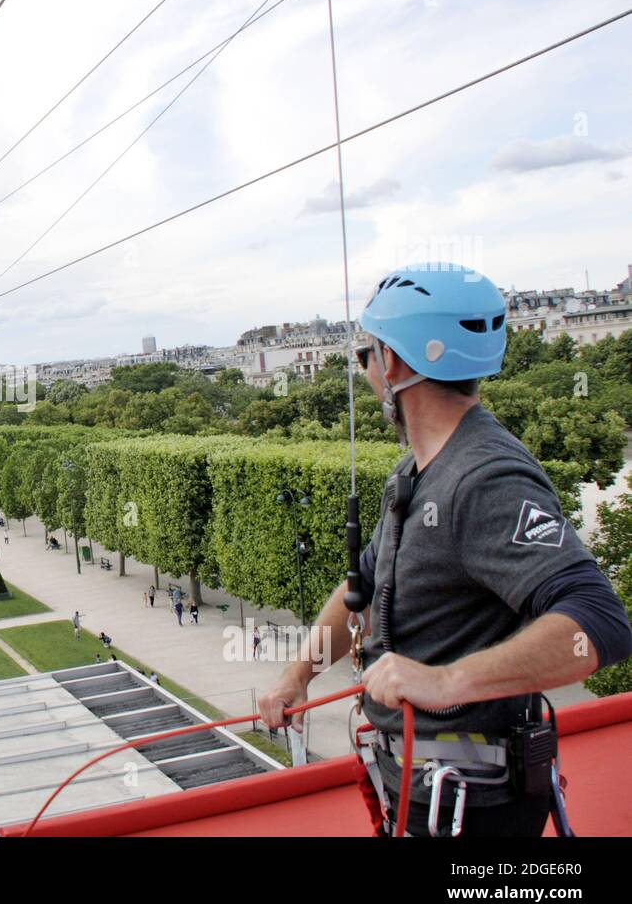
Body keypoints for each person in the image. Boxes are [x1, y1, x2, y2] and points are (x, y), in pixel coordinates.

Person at [258, 263, 632, 838]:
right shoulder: (417, 472)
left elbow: (599, 622)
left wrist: (445, 681)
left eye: (367, 356)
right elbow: (362, 586)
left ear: (397, 364)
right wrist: (297, 675)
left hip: (473, 812)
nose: (368, 373)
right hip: (425, 793)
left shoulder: (484, 478)